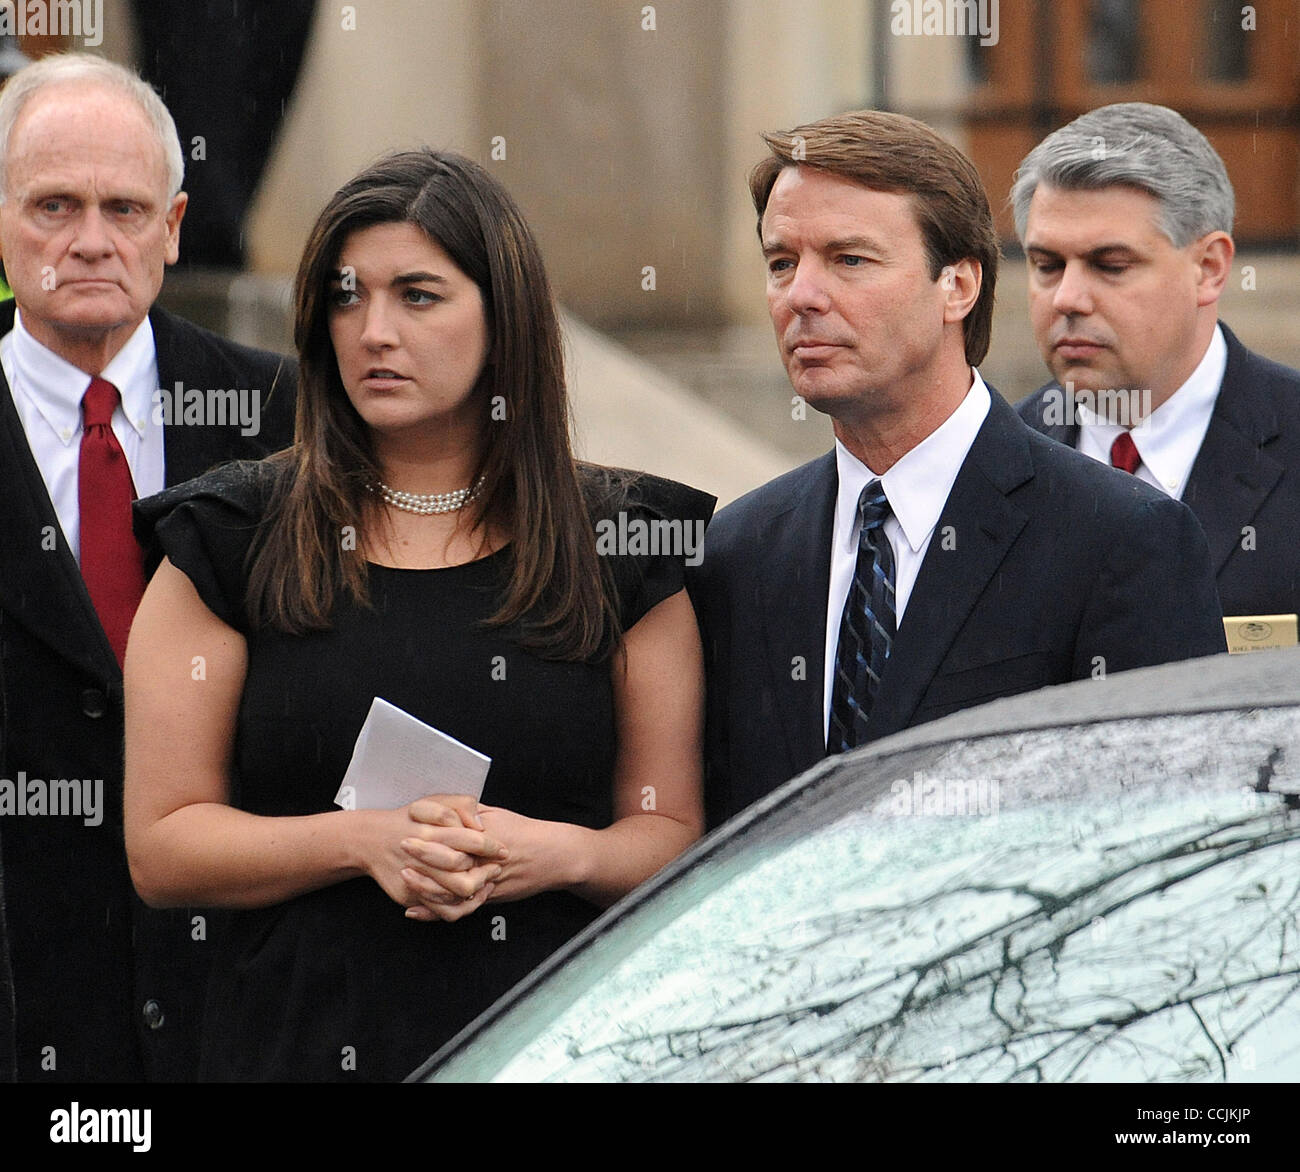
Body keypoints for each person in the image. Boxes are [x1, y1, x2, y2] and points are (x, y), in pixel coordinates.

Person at [124, 149, 711, 1082]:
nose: (373, 331)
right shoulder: (228, 535)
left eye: (419, 295)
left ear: (504, 316)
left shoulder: (624, 544)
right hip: (297, 1045)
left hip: (558, 1047)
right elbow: (163, 845)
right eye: (348, 296)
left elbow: (673, 834)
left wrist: (547, 855)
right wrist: (364, 841)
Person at [689, 110, 1227, 830]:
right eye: (782, 262)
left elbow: (1170, 840)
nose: (802, 297)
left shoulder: (1122, 540)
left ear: (959, 286)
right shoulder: (736, 552)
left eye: (850, 259)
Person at [0, 53, 295, 1082]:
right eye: (53, 205)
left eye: (124, 208)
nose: (89, 241)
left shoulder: (285, 420)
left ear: (173, 226)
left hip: (237, 1014)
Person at [1014, 102, 1300, 622]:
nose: (1067, 299)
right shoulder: (992, 460)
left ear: (1209, 268)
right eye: (1047, 266)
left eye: (1111, 265)